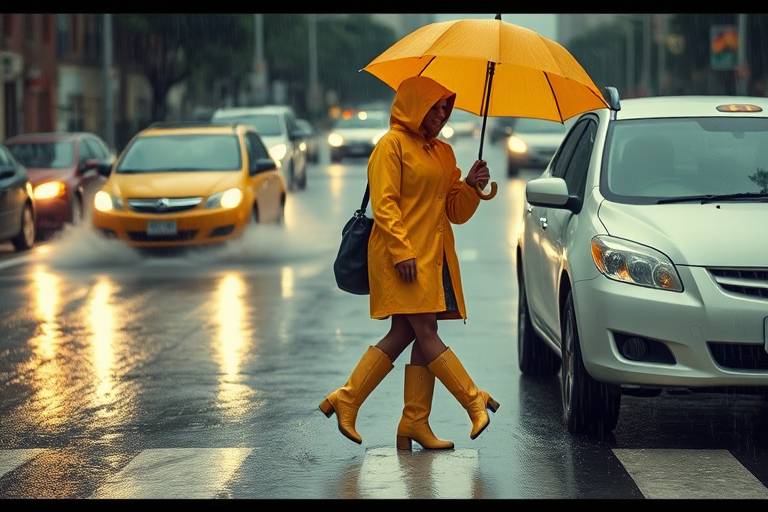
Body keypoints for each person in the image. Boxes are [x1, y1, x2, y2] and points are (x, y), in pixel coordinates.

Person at [319, 75, 499, 450]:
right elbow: (384, 204)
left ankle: (404, 418)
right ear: (415, 106)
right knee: (427, 331)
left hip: (432, 259)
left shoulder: (443, 152)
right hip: (400, 257)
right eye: (434, 107)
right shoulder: (391, 146)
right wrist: (402, 252)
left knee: (408, 332)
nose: (441, 115)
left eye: (445, 108)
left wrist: (471, 186)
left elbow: (455, 212)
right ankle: (473, 400)